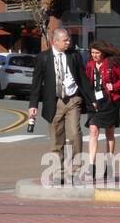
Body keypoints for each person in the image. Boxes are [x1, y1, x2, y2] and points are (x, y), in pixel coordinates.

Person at [27, 28, 92, 184]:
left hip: (73, 100)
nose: (69, 42)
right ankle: (59, 172)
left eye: (69, 40)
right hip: (54, 101)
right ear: (54, 41)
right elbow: (36, 83)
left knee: (75, 133)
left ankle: (76, 169)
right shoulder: (43, 58)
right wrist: (33, 105)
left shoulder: (74, 55)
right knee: (57, 138)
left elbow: (82, 78)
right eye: (65, 40)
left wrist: (92, 99)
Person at [84, 41, 120, 182]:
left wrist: (114, 86)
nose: (95, 56)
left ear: (103, 52)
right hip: (94, 100)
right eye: (92, 53)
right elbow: (86, 81)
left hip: (110, 100)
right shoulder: (90, 65)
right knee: (93, 130)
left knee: (110, 132)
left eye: (97, 53)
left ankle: (109, 164)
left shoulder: (111, 63)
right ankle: (91, 164)